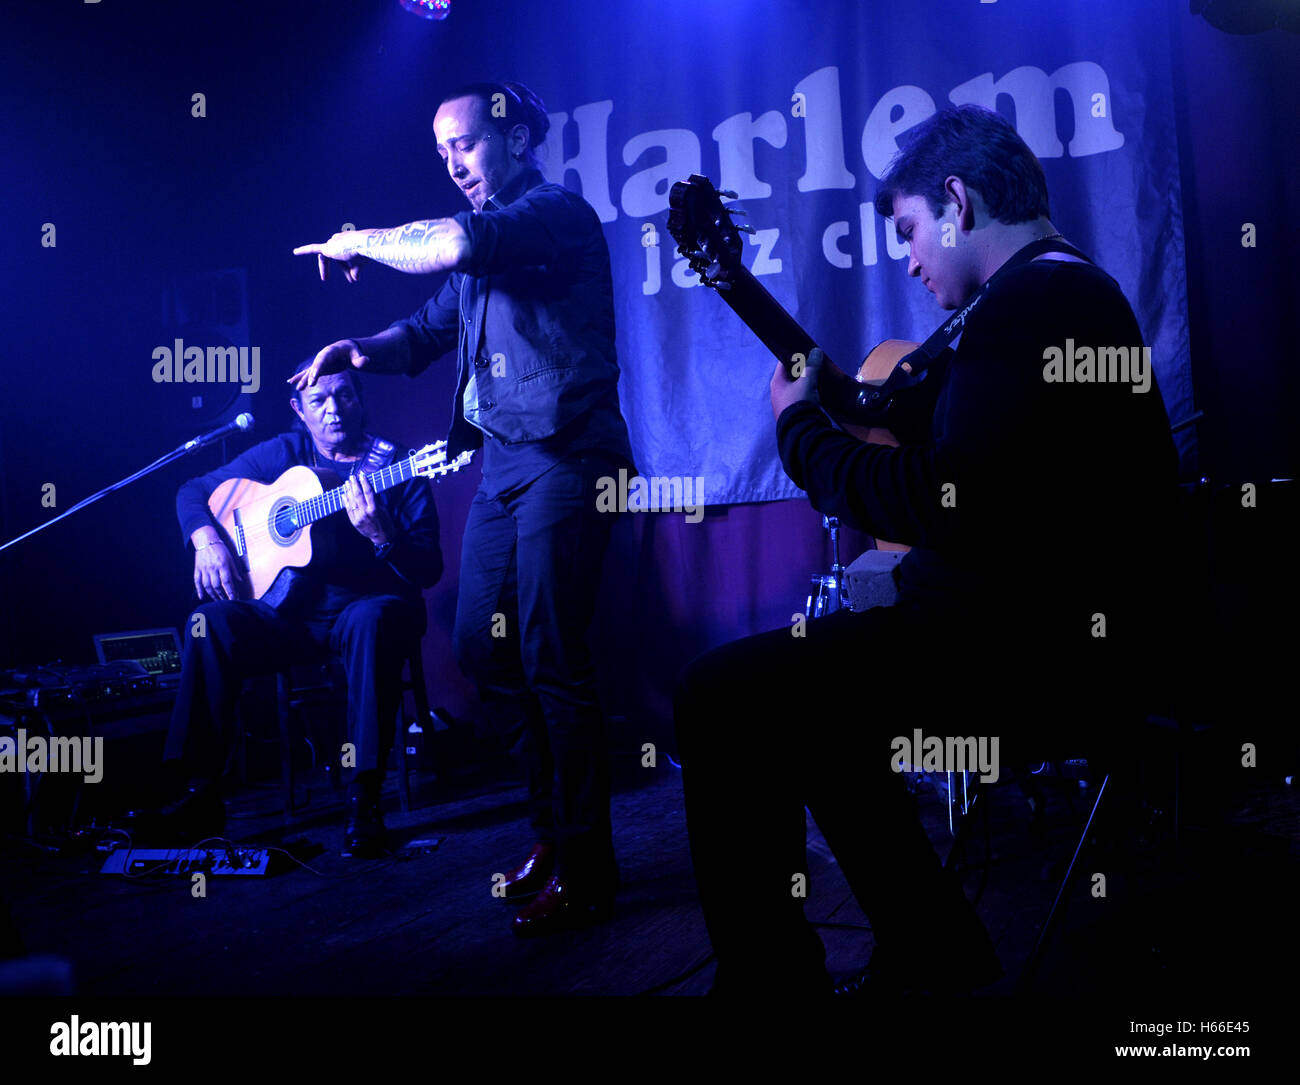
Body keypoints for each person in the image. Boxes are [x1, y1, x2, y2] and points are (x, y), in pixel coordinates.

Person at [673, 105, 1180, 994]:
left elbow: (938, 495)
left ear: (957, 200)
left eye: (909, 231)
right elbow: (889, 410)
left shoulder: (1037, 303)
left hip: (1031, 659)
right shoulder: (1046, 297)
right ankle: (933, 953)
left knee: (720, 696)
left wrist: (796, 435)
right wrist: (775, 333)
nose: (908, 258)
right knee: (814, 713)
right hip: (1042, 641)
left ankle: (774, 986)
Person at [290, 81, 634, 936]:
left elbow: (451, 244)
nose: (452, 163)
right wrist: (355, 349)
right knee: (483, 646)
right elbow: (425, 329)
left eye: (466, 145)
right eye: (440, 152)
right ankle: (553, 836)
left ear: (514, 140)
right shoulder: (479, 254)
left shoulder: (552, 214)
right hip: (508, 463)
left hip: (572, 456)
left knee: (555, 653)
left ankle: (590, 869)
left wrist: (361, 240)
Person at [153, 364, 442, 857]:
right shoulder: (283, 454)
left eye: (345, 396)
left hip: (364, 608)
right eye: (320, 401)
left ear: (361, 397)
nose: (334, 410)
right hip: (288, 613)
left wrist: (383, 535)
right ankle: (200, 793)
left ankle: (364, 796)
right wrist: (206, 542)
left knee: (373, 620)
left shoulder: (401, 464)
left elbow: (428, 569)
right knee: (210, 623)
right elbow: (192, 491)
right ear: (299, 410)